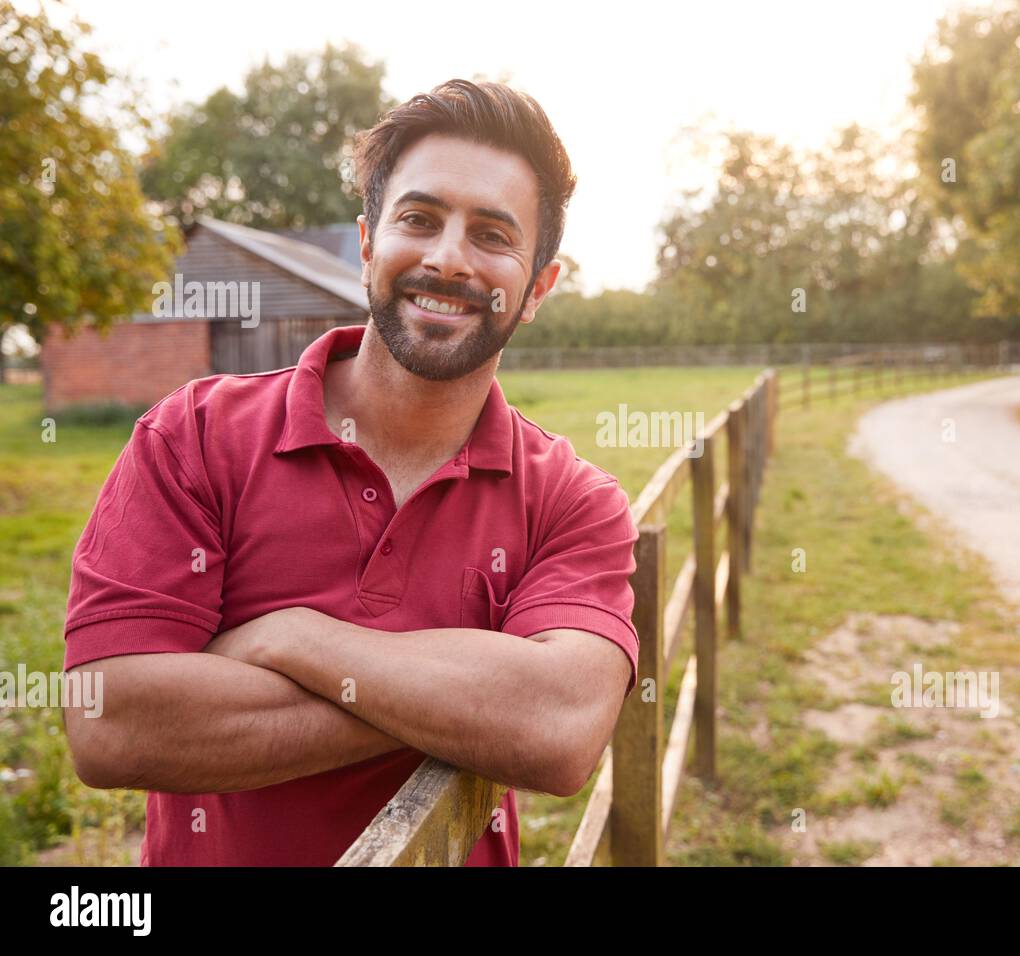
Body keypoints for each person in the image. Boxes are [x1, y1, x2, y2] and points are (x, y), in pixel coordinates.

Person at [60, 79, 640, 867]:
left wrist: (292, 639)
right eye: (419, 219)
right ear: (368, 243)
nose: (446, 258)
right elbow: (111, 724)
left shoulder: (574, 501)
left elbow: (560, 731)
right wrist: (476, 699)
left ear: (538, 286)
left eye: (493, 235)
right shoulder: (192, 437)